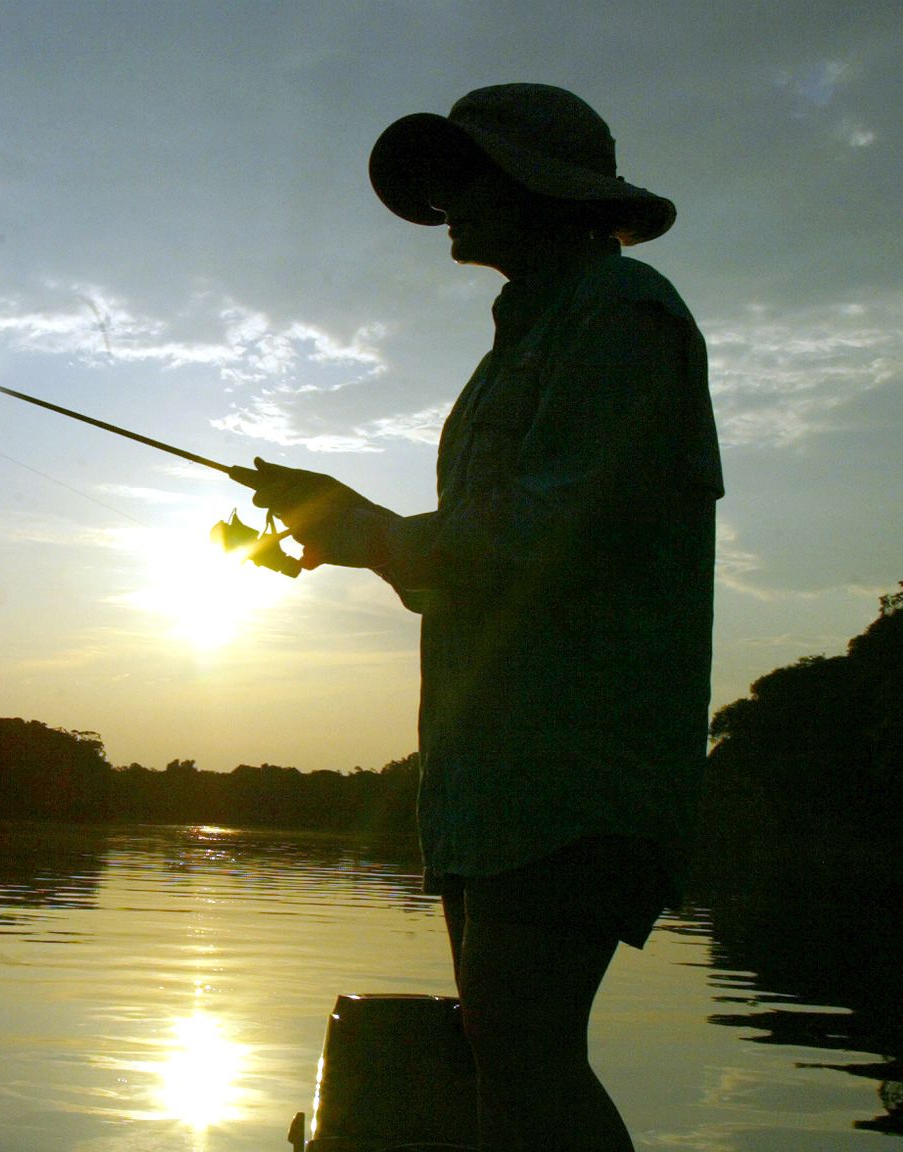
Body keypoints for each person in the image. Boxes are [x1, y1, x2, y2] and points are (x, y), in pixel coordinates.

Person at [234, 84, 722, 1151]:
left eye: (468, 175)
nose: (445, 201)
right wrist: (346, 528)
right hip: (494, 774)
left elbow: (544, 540)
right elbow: (471, 563)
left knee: (525, 1050)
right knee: (504, 1058)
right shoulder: (522, 346)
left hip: (575, 768)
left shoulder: (623, 312)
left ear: (543, 188)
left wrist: (364, 526)